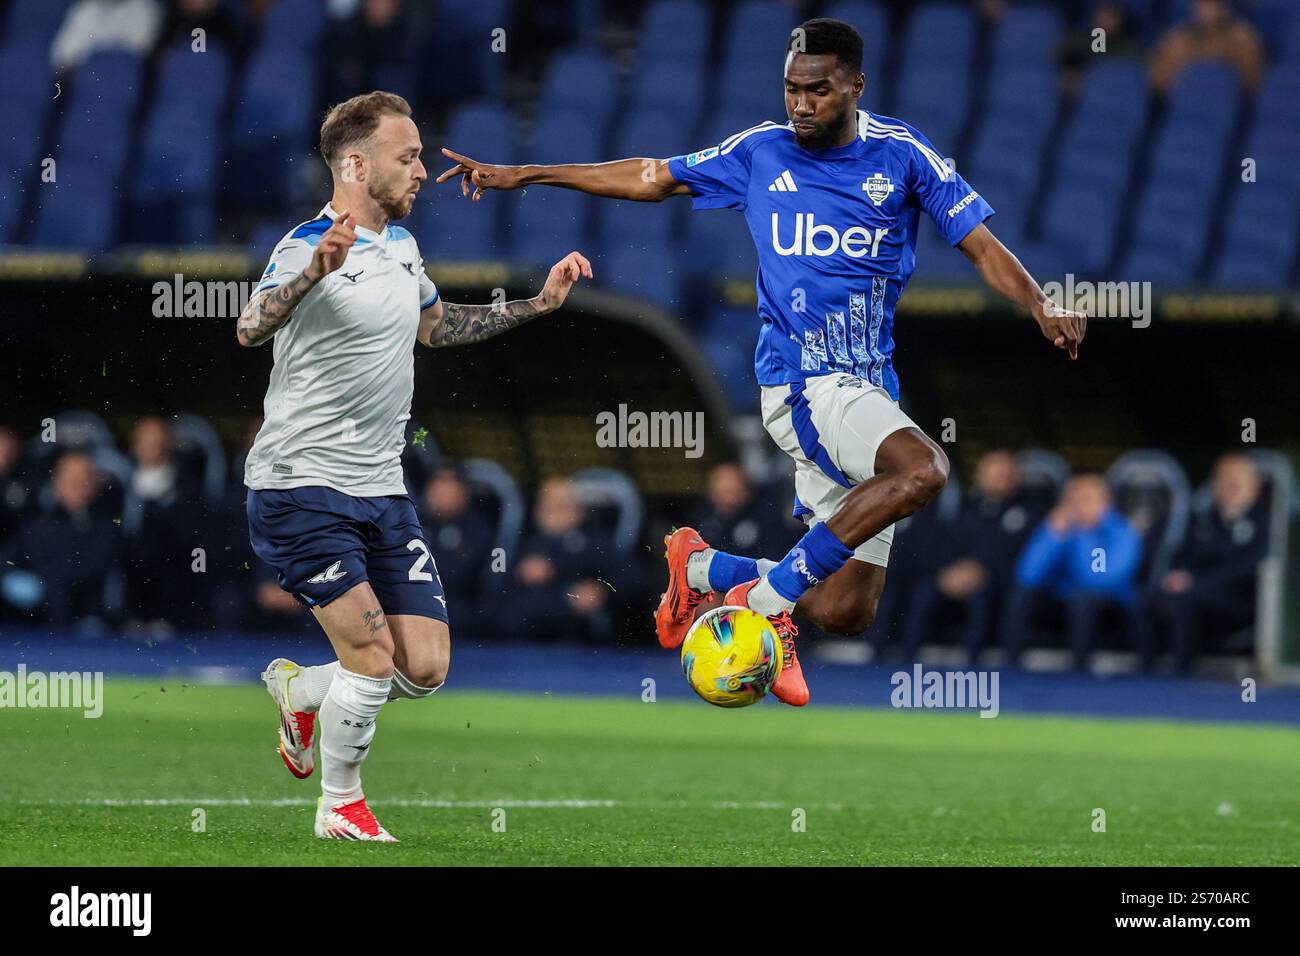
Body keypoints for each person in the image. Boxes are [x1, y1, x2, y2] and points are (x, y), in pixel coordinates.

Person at [435, 17, 1087, 706]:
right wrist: (531, 172)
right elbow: (651, 177)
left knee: (844, 610)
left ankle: (707, 568)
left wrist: (1040, 303)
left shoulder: (903, 155)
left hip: (869, 386)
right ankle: (765, 601)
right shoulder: (760, 153)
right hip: (804, 382)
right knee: (923, 468)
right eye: (792, 89)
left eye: (819, 90)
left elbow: (980, 244)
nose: (801, 104)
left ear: (856, 87)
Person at [238, 91, 592, 841]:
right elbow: (249, 325)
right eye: (409, 157)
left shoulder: (400, 247)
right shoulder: (306, 244)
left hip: (380, 490)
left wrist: (536, 306)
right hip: (301, 485)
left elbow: (437, 327)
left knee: (424, 667)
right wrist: (313, 275)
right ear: (356, 165)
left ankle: (302, 694)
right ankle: (341, 807)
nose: (424, 171)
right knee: (369, 656)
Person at [898, 450, 1038, 663]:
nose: (998, 480)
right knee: (924, 594)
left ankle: (973, 665)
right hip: (955, 575)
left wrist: (982, 571)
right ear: (980, 477)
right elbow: (947, 544)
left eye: (1004, 475)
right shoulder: (967, 507)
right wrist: (948, 571)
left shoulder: (1029, 512)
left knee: (980, 602)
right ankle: (906, 660)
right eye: (992, 475)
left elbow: (1022, 553)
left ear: (1016, 477)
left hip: (997, 579)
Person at [1003, 474, 1143, 670]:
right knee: (1021, 594)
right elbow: (1027, 575)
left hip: (1112, 599)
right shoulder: (1063, 526)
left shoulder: (1122, 531)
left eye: (1086, 499)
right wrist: (1052, 535)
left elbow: (1103, 579)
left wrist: (1087, 532)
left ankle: (1079, 669)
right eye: (1072, 500)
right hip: (1064, 596)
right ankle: (1011, 666)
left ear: (1106, 502)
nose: (1078, 506)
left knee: (1083, 599)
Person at [1154, 454, 1268, 672]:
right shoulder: (1202, 520)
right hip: (1204, 593)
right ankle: (1153, 671)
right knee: (1161, 592)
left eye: (1240, 479)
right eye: (1227, 479)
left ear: (1254, 486)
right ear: (1215, 485)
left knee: (1185, 594)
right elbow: (1184, 557)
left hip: (1246, 599)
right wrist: (1177, 577)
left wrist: (1196, 581)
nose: (1233, 485)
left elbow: (1247, 567)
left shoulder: (1266, 523)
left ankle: (1181, 669)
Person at [0, 452, 123, 627]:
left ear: (95, 484)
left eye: (83, 479)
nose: (77, 485)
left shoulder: (110, 530)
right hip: (36, 630)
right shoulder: (35, 528)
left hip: (92, 631)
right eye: (70, 479)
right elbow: (7, 562)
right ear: (56, 483)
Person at [510, 478, 618, 644]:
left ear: (579, 511)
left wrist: (601, 589)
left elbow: (631, 579)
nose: (553, 514)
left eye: (561, 507)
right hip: (522, 641)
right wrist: (519, 572)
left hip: (582, 644)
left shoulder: (596, 543)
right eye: (547, 507)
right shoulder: (520, 544)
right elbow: (494, 595)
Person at [1149, 0, 1265, 94]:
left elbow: (1252, 83)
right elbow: (1157, 79)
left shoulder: (1242, 39)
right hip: (1185, 105)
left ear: (1223, 6)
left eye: (1210, 4)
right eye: (1199, 4)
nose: (1203, 10)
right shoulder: (1177, 39)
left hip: (1227, 109)